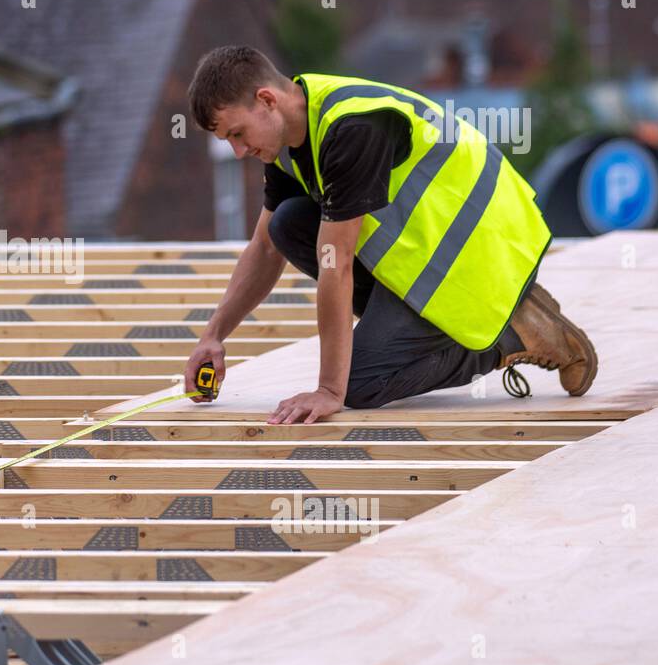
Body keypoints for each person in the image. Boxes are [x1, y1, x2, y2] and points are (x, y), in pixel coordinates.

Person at [181, 46, 597, 424]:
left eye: (237, 134)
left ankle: (510, 335)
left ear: (266, 101)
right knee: (285, 222)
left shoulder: (351, 128)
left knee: (358, 385)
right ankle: (422, 329)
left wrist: (329, 390)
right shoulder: (294, 134)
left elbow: (336, 262)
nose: (237, 151)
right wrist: (213, 335)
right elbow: (265, 247)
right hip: (435, 252)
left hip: (485, 253)